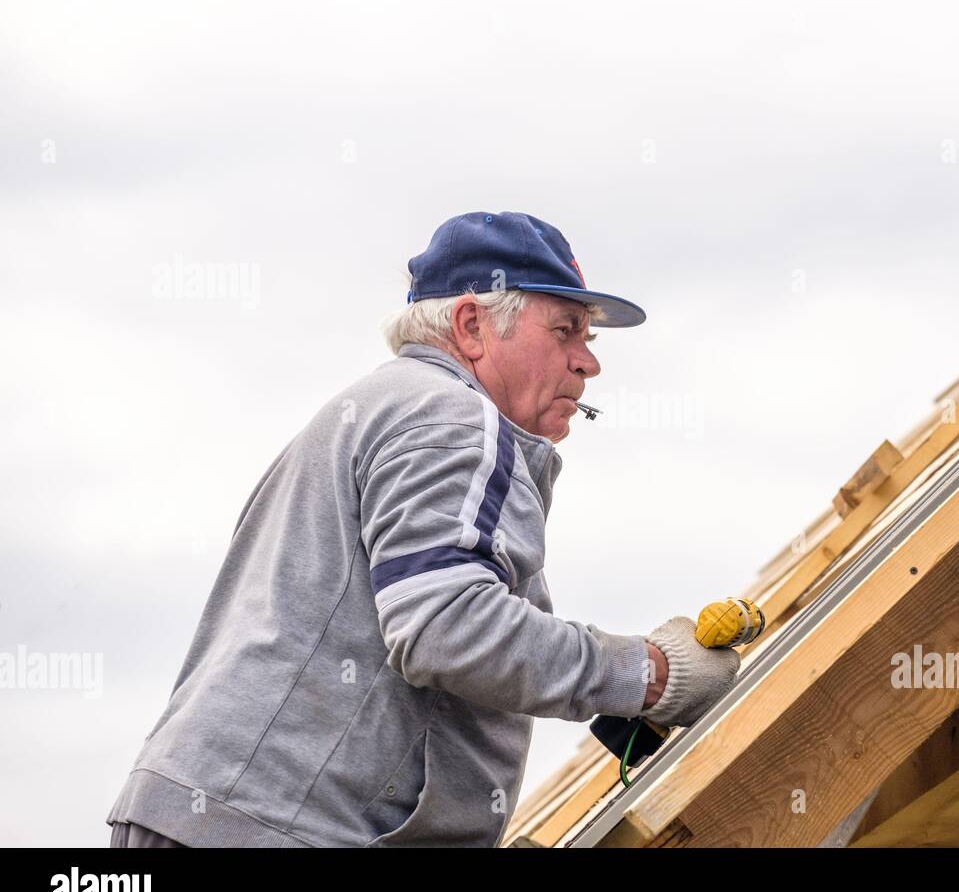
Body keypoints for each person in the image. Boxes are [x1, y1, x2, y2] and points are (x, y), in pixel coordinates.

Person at [107, 211, 740, 847]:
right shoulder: (456, 420)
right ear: (471, 327)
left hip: (204, 815)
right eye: (565, 330)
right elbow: (447, 628)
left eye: (589, 340)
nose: (586, 363)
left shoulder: (381, 408)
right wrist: (653, 675)